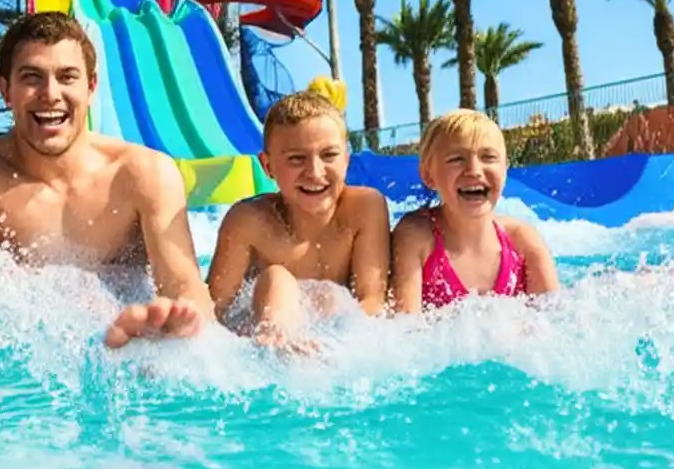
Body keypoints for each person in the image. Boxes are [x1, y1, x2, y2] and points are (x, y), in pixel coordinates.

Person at [0, 12, 213, 349]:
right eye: (31, 77)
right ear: (6, 90)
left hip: (132, 346)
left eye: (67, 77)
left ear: (91, 86)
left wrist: (174, 326)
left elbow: (184, 284)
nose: (50, 94)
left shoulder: (143, 174)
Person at [204, 86, 391, 351]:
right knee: (277, 278)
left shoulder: (365, 208)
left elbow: (371, 302)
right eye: (296, 159)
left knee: (329, 298)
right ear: (267, 166)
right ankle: (277, 339)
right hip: (261, 334)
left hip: (332, 339)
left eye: (329, 155)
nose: (314, 172)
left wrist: (339, 348)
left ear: (346, 160)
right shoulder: (248, 221)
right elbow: (214, 312)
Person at [390, 109, 559, 312]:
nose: (474, 170)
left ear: (505, 169)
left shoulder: (522, 241)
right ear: (428, 175)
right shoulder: (416, 237)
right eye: (456, 159)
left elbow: (554, 323)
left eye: (488, 157)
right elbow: (404, 327)